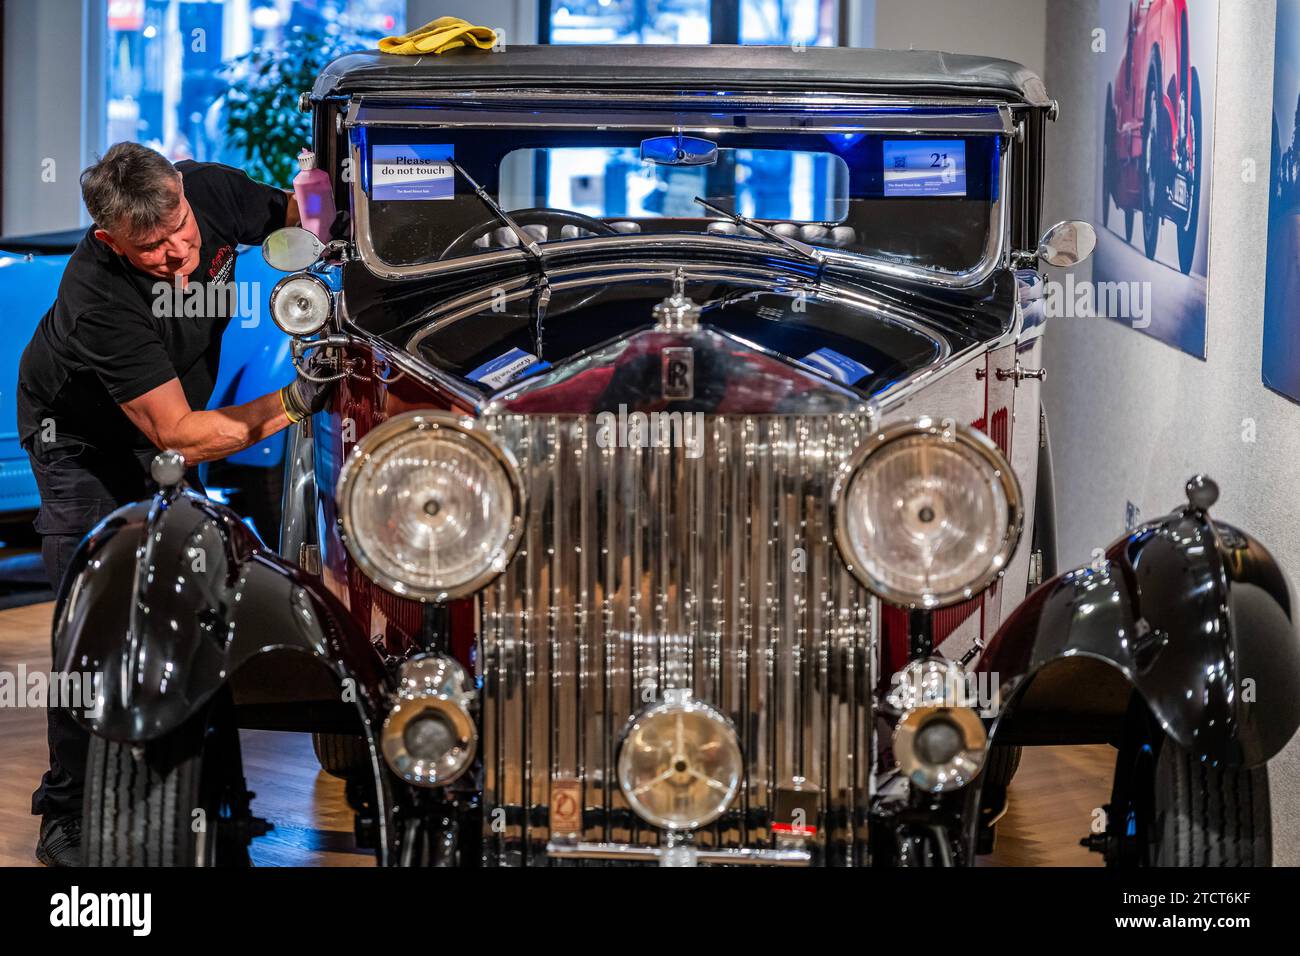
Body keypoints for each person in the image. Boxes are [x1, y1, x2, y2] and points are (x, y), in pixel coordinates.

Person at [15, 141, 336, 867]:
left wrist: (319, 193)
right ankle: (66, 814)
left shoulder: (211, 191)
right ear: (108, 240)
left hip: (168, 419)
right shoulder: (96, 295)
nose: (178, 257)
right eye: (151, 248)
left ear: (184, 193)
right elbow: (179, 436)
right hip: (81, 441)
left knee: (194, 587)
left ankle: (215, 798)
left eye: (182, 232)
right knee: (89, 614)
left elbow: (301, 220)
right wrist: (298, 396)